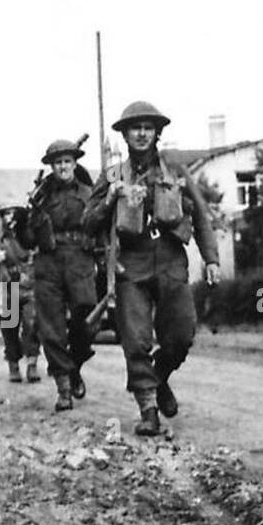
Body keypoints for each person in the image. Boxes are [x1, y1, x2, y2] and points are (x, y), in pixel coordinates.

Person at [83, 101, 221, 436]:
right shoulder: (113, 175)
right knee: (136, 340)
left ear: (157, 132)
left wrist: (212, 258)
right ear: (125, 135)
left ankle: (159, 378)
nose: (142, 134)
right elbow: (88, 222)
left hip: (170, 257)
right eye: (135, 128)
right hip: (131, 263)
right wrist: (108, 200)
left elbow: (200, 215)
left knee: (181, 334)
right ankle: (148, 410)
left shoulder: (174, 169)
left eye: (148, 127)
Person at [18, 139, 97, 411]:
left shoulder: (89, 193)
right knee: (51, 326)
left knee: (87, 319)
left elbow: (101, 227)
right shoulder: (40, 198)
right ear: (51, 167)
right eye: (58, 162)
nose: (63, 167)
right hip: (49, 263)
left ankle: (74, 365)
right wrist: (21, 223)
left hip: (80, 260)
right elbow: (28, 240)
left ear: (75, 164)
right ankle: (64, 387)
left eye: (67, 161)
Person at [0, 207, 41, 383]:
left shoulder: (30, 235)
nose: (10, 217)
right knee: (9, 328)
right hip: (8, 287)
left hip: (29, 285)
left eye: (13, 213)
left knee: (32, 324)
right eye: (6, 214)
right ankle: (13, 365)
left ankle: (32, 364)